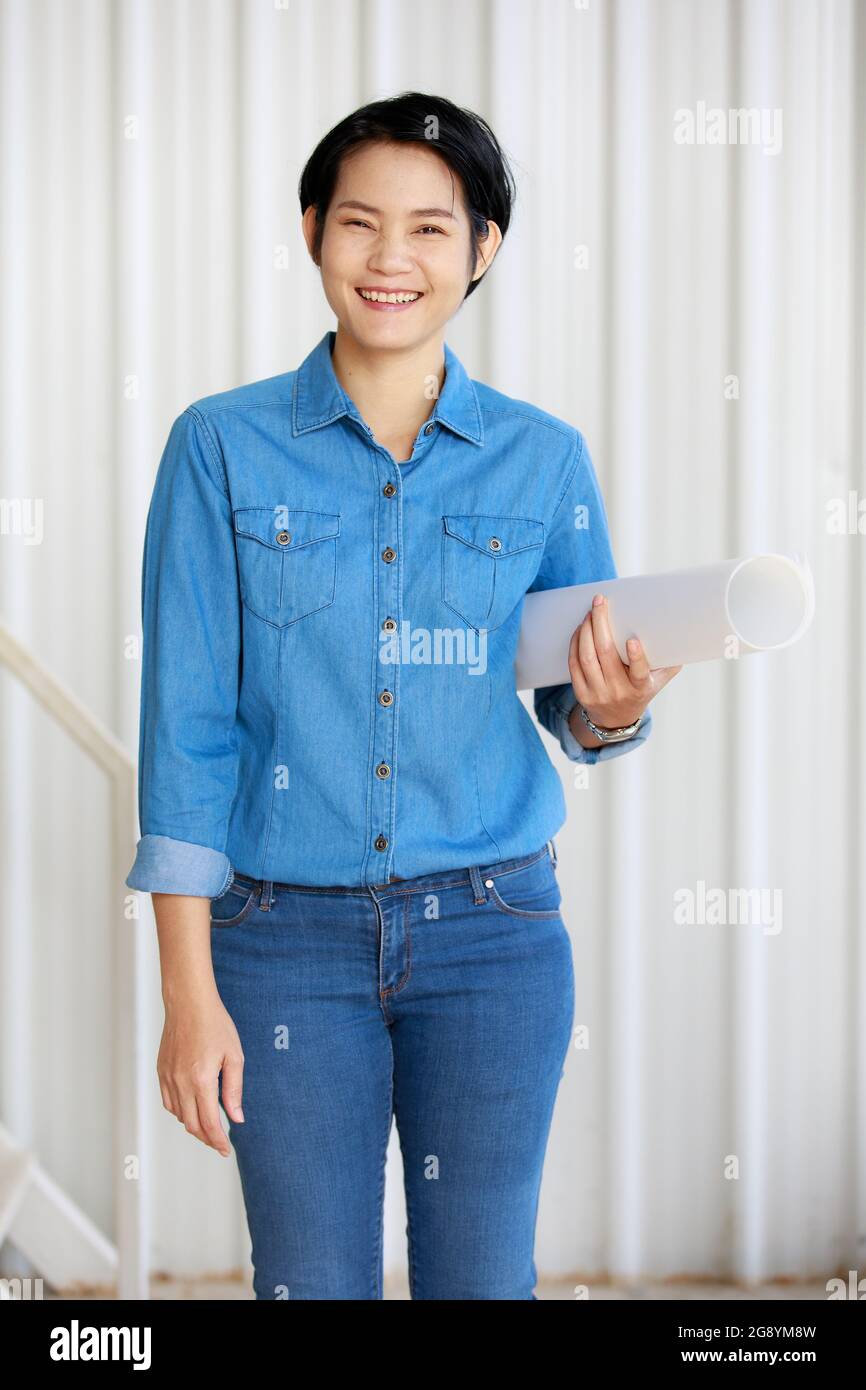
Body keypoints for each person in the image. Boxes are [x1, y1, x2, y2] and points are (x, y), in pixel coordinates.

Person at [126, 91, 681, 1301]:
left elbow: (573, 712)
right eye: (359, 223)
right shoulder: (218, 448)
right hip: (280, 949)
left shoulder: (544, 459)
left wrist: (617, 705)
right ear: (314, 229)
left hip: (494, 939)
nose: (390, 259)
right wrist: (187, 995)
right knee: (308, 1284)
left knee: (481, 1285)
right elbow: (184, 736)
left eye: (430, 230)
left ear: (481, 251)